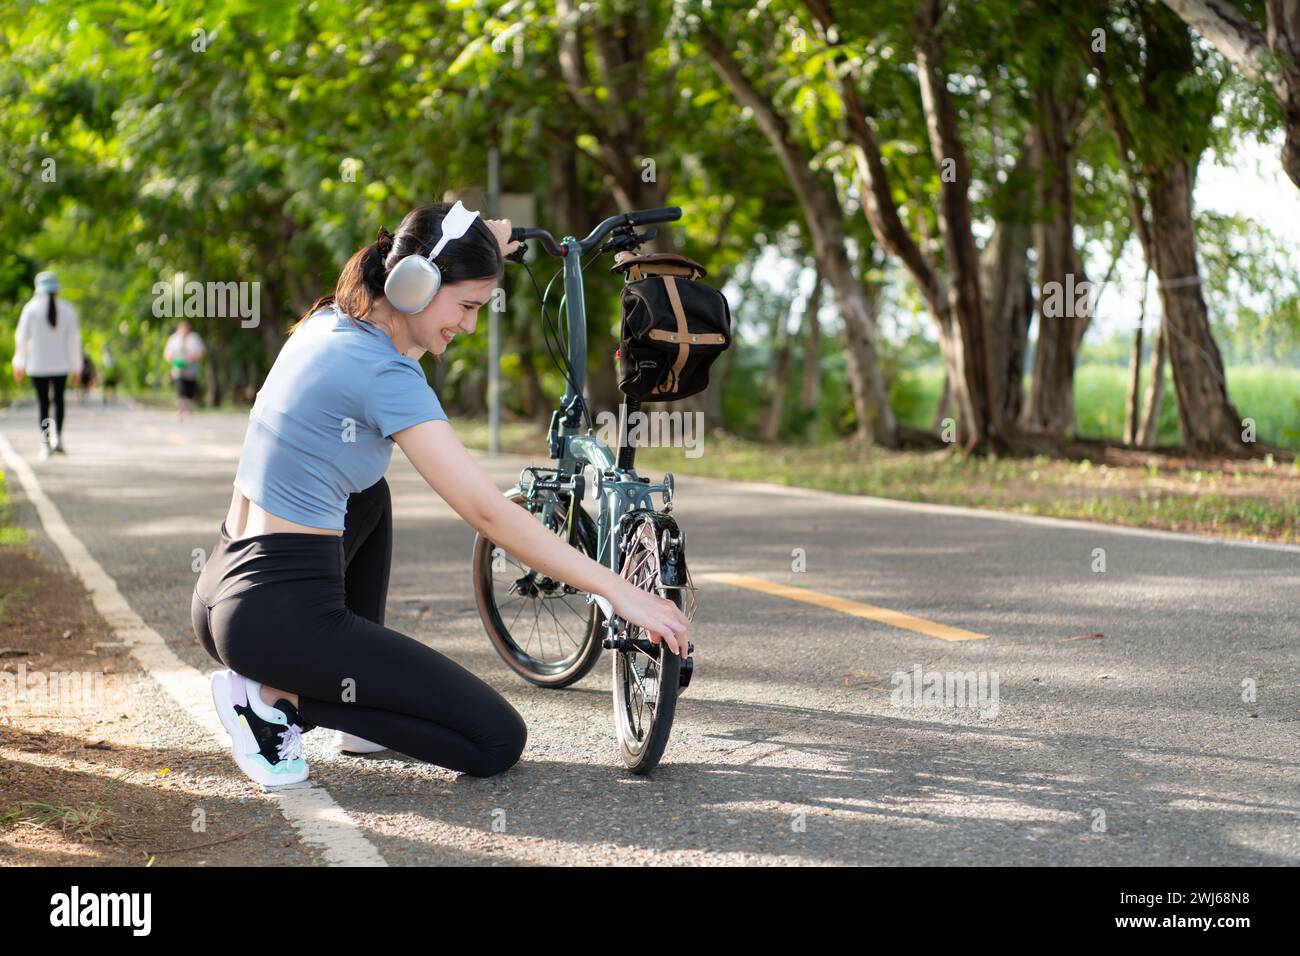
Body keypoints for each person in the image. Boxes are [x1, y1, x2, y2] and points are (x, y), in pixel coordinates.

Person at [191, 202, 690, 788]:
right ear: (414, 284)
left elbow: (430, 234)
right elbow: (487, 512)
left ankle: (345, 710)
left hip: (223, 593)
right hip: (274, 623)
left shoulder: (334, 321)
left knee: (370, 495)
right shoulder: (385, 375)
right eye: (468, 305)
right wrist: (617, 591)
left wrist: (483, 240)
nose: (472, 325)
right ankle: (274, 700)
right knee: (496, 741)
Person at [12, 271, 83, 460]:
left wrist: (19, 364)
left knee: (44, 404)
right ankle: (58, 438)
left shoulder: (30, 309)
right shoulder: (67, 310)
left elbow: (21, 338)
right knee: (59, 401)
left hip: (38, 365)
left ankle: (45, 443)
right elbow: (74, 342)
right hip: (61, 366)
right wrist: (77, 367)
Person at [163, 320, 205, 418]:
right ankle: (182, 409)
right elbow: (167, 355)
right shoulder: (174, 339)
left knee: (189, 389)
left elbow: (201, 352)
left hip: (191, 367)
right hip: (179, 368)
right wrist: (175, 361)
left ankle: (188, 409)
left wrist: (192, 358)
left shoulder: (194, 338)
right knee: (181, 389)